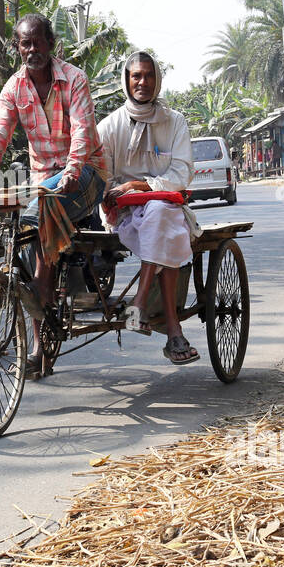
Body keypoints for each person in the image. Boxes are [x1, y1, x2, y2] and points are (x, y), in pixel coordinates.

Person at [0, 13, 107, 374]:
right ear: (18, 47)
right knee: (27, 243)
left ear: (51, 43)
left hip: (87, 173)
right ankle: (40, 345)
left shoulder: (75, 79)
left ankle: (39, 317)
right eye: (24, 43)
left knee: (37, 217)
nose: (31, 49)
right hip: (44, 180)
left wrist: (73, 171)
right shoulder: (14, 87)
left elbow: (82, 130)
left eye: (37, 41)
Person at [96, 51, 198, 365]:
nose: (143, 82)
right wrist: (118, 190)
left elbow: (182, 173)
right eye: (136, 76)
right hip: (124, 214)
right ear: (126, 81)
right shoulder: (110, 126)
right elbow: (102, 177)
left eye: (149, 75)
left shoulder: (175, 121)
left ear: (158, 80)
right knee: (161, 217)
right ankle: (172, 329)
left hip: (166, 208)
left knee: (161, 213)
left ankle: (139, 302)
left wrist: (140, 186)